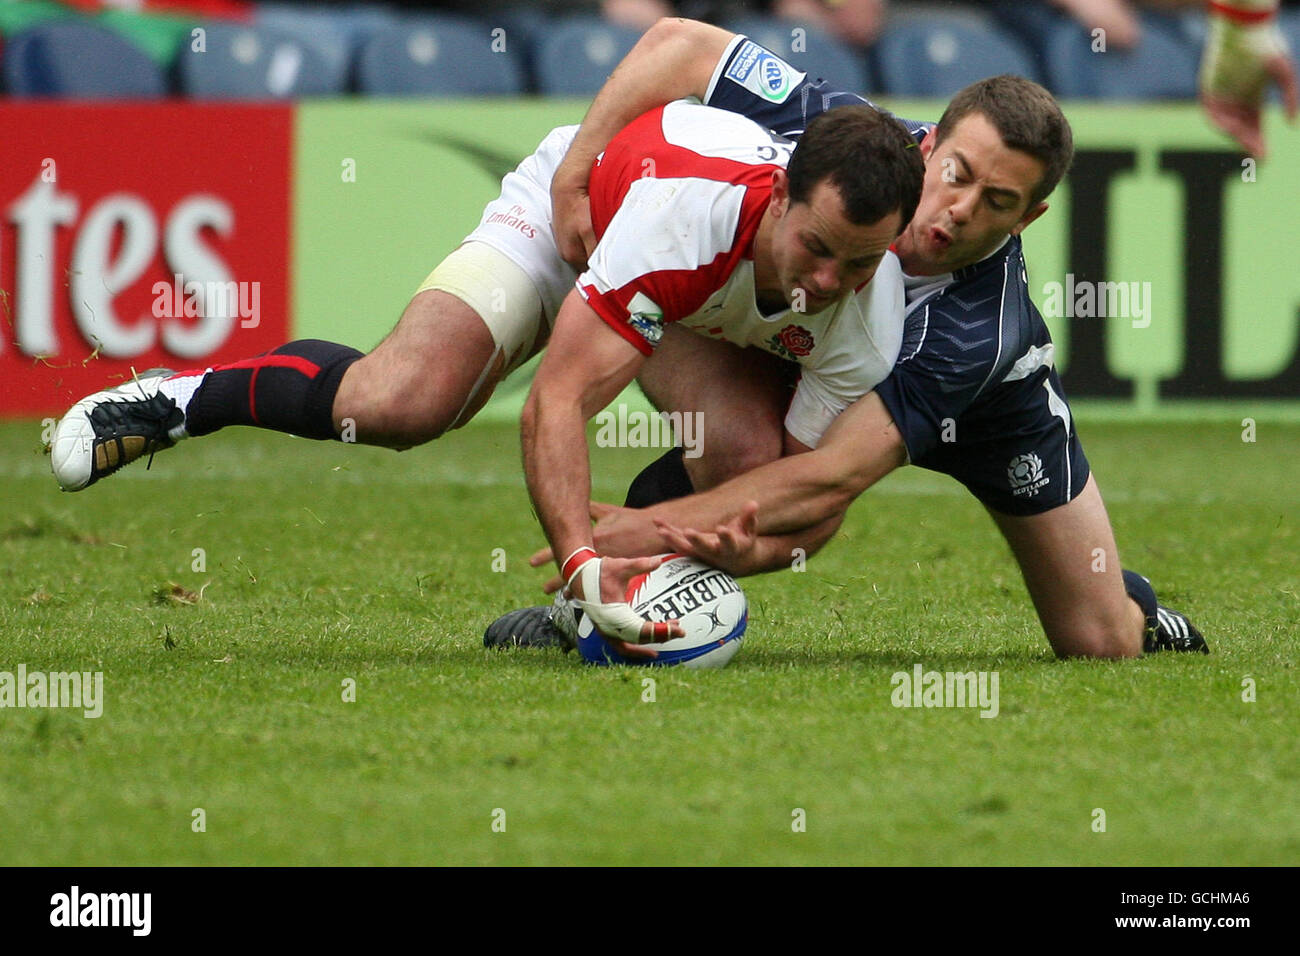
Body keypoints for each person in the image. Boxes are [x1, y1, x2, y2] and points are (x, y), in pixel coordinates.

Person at [485, 18, 1209, 659]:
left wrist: (629, 534)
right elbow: (682, 46)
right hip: (820, 357)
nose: (957, 210)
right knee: (739, 453)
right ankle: (590, 613)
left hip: (993, 419)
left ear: (1030, 217)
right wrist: (576, 170)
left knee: (1098, 641)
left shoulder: (976, 328)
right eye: (956, 173)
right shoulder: (850, 139)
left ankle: (1130, 598)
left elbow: (829, 477)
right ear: (930, 144)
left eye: (997, 203)